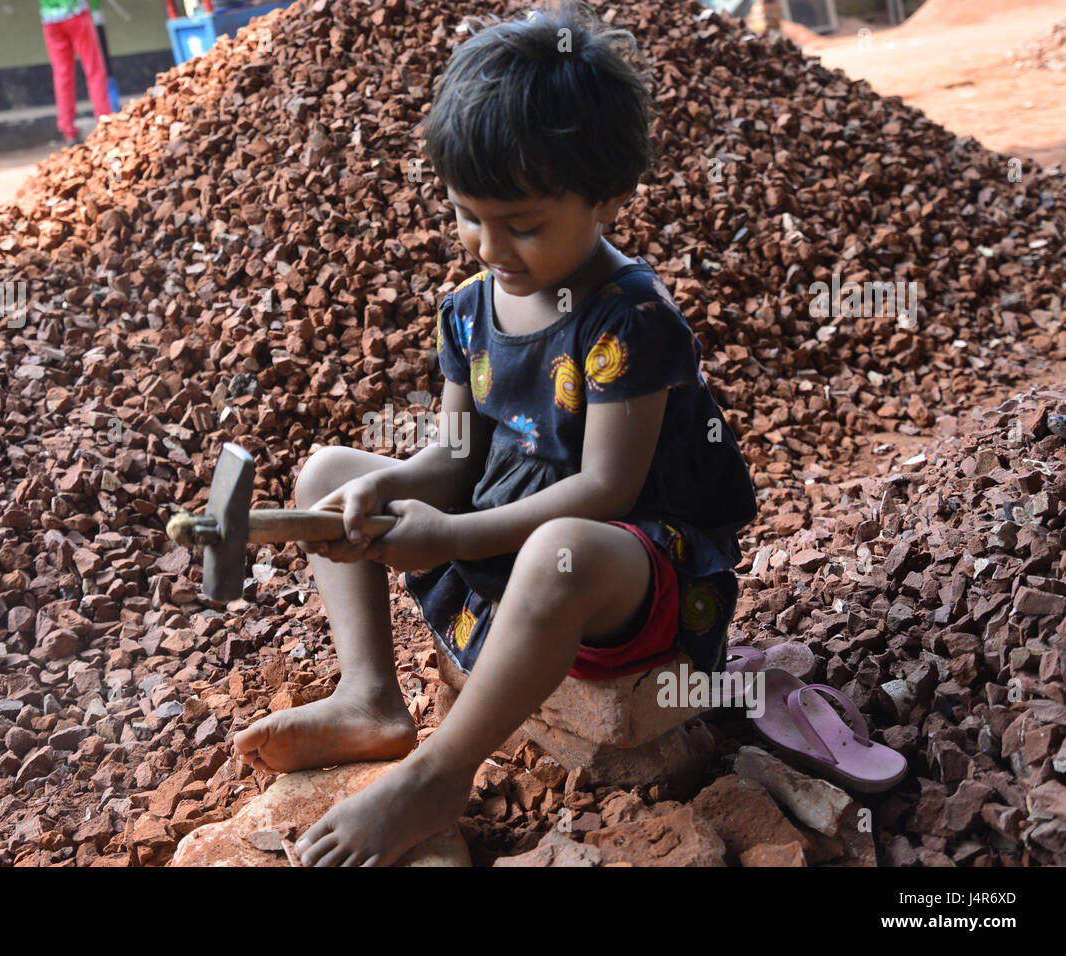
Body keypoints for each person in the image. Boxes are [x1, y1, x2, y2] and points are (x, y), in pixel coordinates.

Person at [233, 0, 758, 866]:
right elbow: (455, 454)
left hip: (628, 563)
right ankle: (370, 697)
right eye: (469, 215)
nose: (489, 248)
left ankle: (442, 770)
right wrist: (390, 486)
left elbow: (605, 492)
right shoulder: (469, 310)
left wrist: (448, 534)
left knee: (564, 546)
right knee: (330, 467)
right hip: (507, 524)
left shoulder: (630, 317)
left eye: (522, 225)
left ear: (607, 198)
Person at [38, 0, 113, 146]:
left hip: (50, 21)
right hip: (76, 15)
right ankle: (105, 122)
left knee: (62, 75)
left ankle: (68, 131)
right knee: (95, 71)